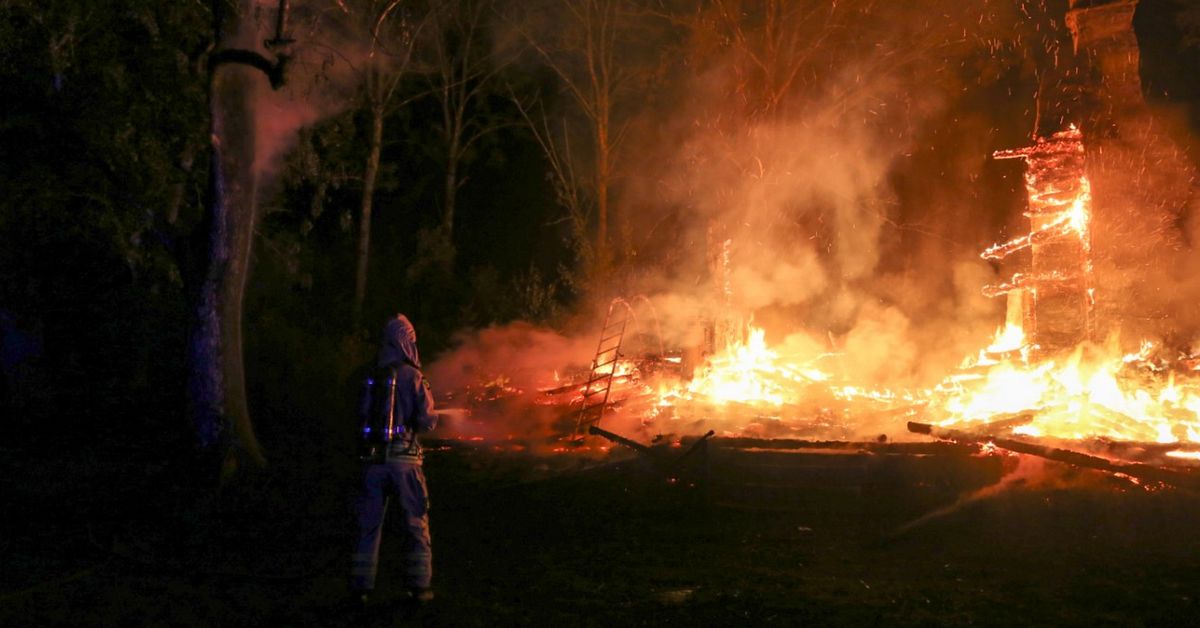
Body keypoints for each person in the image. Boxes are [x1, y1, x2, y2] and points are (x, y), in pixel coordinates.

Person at [351, 314, 438, 604]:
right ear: (404, 341)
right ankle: (419, 587)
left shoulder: (371, 375)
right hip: (405, 465)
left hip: (372, 463)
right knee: (416, 523)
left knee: (368, 526)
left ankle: (361, 589)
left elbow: (360, 415)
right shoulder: (413, 377)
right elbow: (426, 422)